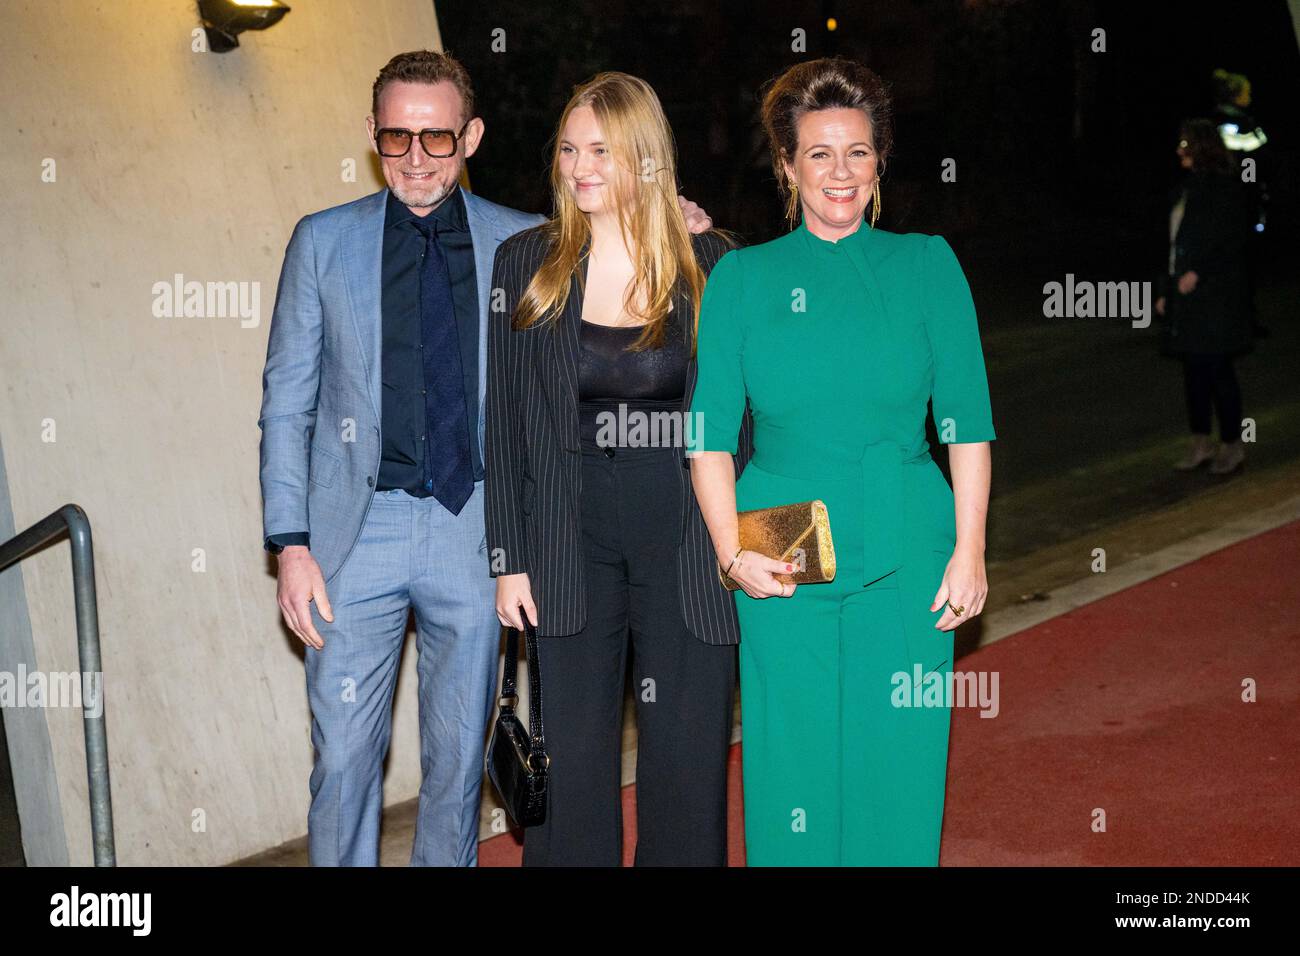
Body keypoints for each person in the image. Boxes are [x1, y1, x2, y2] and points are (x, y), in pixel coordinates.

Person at [258, 50, 711, 866]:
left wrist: (676, 215)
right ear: (372, 135)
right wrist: (290, 544)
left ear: (471, 136)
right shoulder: (322, 243)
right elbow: (286, 403)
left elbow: (620, 235)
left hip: (475, 534)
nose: (418, 157)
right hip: (351, 543)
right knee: (346, 763)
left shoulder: (524, 247)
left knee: (460, 765)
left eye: (438, 138)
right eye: (398, 137)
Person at [687, 57, 995, 866]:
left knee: (900, 766)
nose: (840, 172)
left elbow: (966, 426)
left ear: (880, 160)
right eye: (818, 153)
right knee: (794, 775)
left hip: (913, 553)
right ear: (786, 166)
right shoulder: (744, 279)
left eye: (857, 151)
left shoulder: (928, 265)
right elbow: (709, 438)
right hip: (783, 560)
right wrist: (732, 555)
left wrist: (971, 550)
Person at [486, 72, 752, 866]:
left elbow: (743, 419)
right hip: (571, 531)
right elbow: (504, 425)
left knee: (687, 751)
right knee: (572, 754)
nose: (580, 166)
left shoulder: (714, 261)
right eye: (569, 149)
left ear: (645, 153)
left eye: (601, 149)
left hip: (685, 524)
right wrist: (509, 559)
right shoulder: (525, 263)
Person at [1156, 119, 1252, 475]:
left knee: (1217, 370)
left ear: (1201, 147)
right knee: (1194, 372)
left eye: (1186, 143)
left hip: (1215, 298)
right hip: (1187, 297)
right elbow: (1173, 245)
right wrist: (1168, 289)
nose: (1180, 150)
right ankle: (1200, 440)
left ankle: (1232, 443)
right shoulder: (1184, 189)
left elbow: (1230, 241)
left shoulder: (1224, 189)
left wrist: (1200, 273)